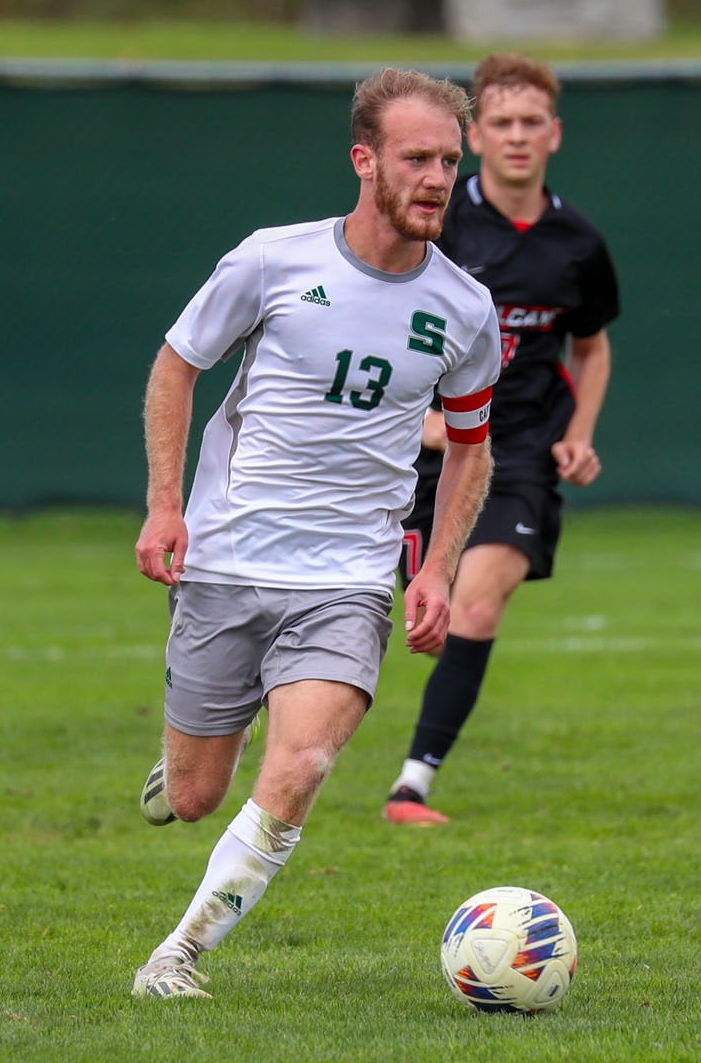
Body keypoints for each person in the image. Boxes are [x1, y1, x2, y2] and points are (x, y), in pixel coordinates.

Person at [128, 68, 501, 1000]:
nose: (435, 179)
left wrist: (439, 569)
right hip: (226, 559)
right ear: (364, 159)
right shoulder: (273, 260)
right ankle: (189, 761)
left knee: (301, 766)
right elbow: (176, 366)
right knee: (196, 796)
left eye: (450, 162)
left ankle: (176, 955)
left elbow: (470, 449)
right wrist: (165, 503)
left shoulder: (465, 309)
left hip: (349, 579)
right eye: (416, 158)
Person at [382, 54, 620, 827]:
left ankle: (412, 784)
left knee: (476, 607)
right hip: (411, 452)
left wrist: (578, 436)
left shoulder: (578, 243)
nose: (517, 136)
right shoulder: (435, 219)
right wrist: (412, 420)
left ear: (555, 134)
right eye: (501, 123)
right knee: (358, 612)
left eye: (531, 123)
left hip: (514, 452)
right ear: (475, 135)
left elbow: (590, 345)